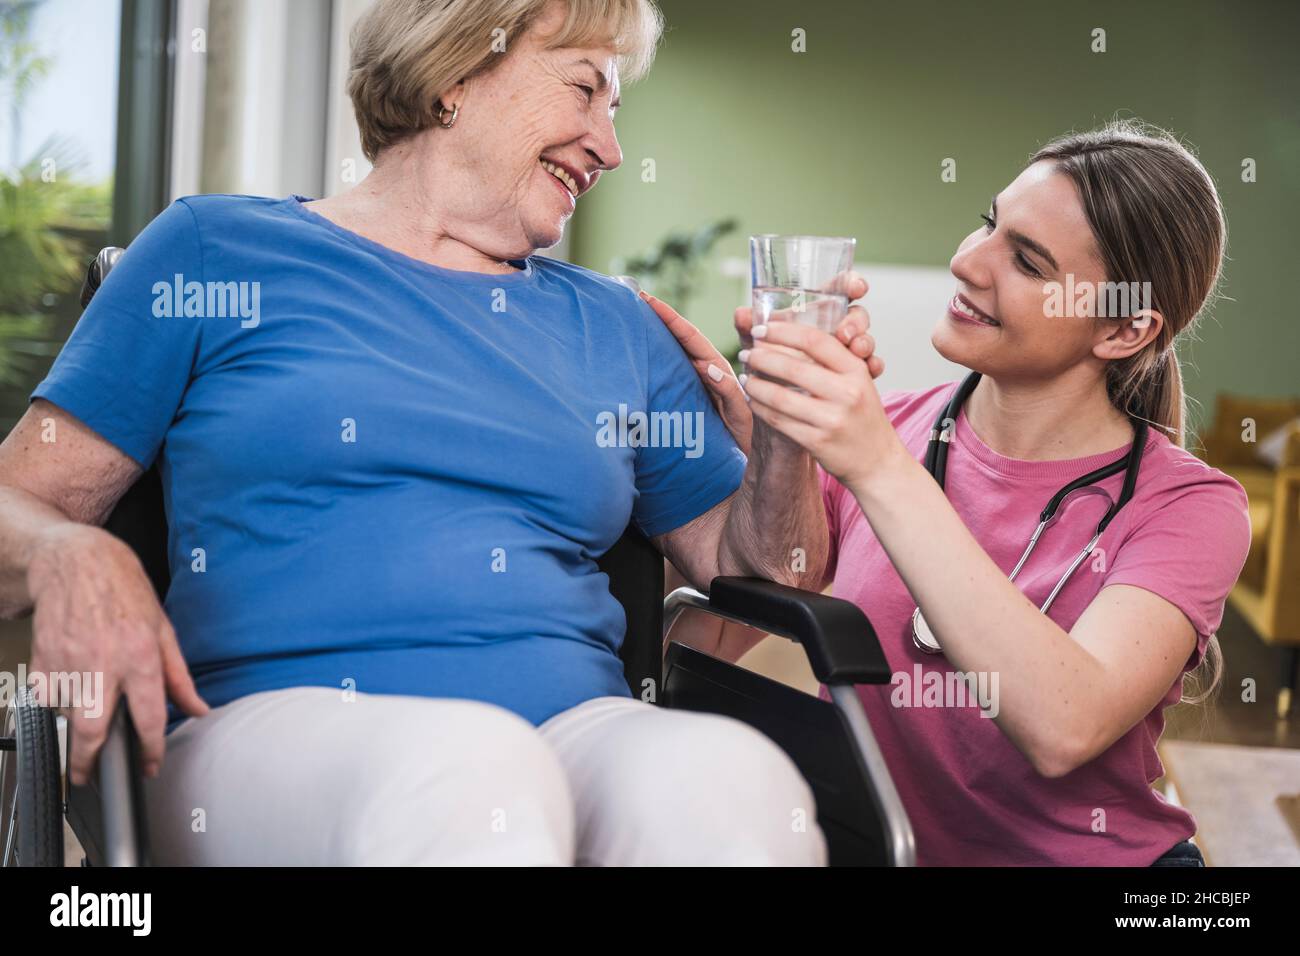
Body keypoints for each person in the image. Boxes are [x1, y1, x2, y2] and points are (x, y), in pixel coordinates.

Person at [0, 0, 877, 866]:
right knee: (470, 774)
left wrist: (788, 437)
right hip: (265, 730)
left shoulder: (618, 325)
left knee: (734, 782)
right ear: (457, 70)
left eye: (617, 111)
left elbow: (765, 572)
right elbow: (18, 500)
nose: (610, 149)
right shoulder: (213, 253)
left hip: (574, 727)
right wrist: (67, 552)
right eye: (586, 90)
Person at [665, 121, 1251, 866]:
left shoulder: (1191, 508)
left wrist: (875, 464)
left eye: (1028, 261)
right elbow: (721, 631)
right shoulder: (892, 431)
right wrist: (782, 436)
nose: (968, 262)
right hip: (879, 847)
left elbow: (1064, 727)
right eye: (988, 225)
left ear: (1125, 329)